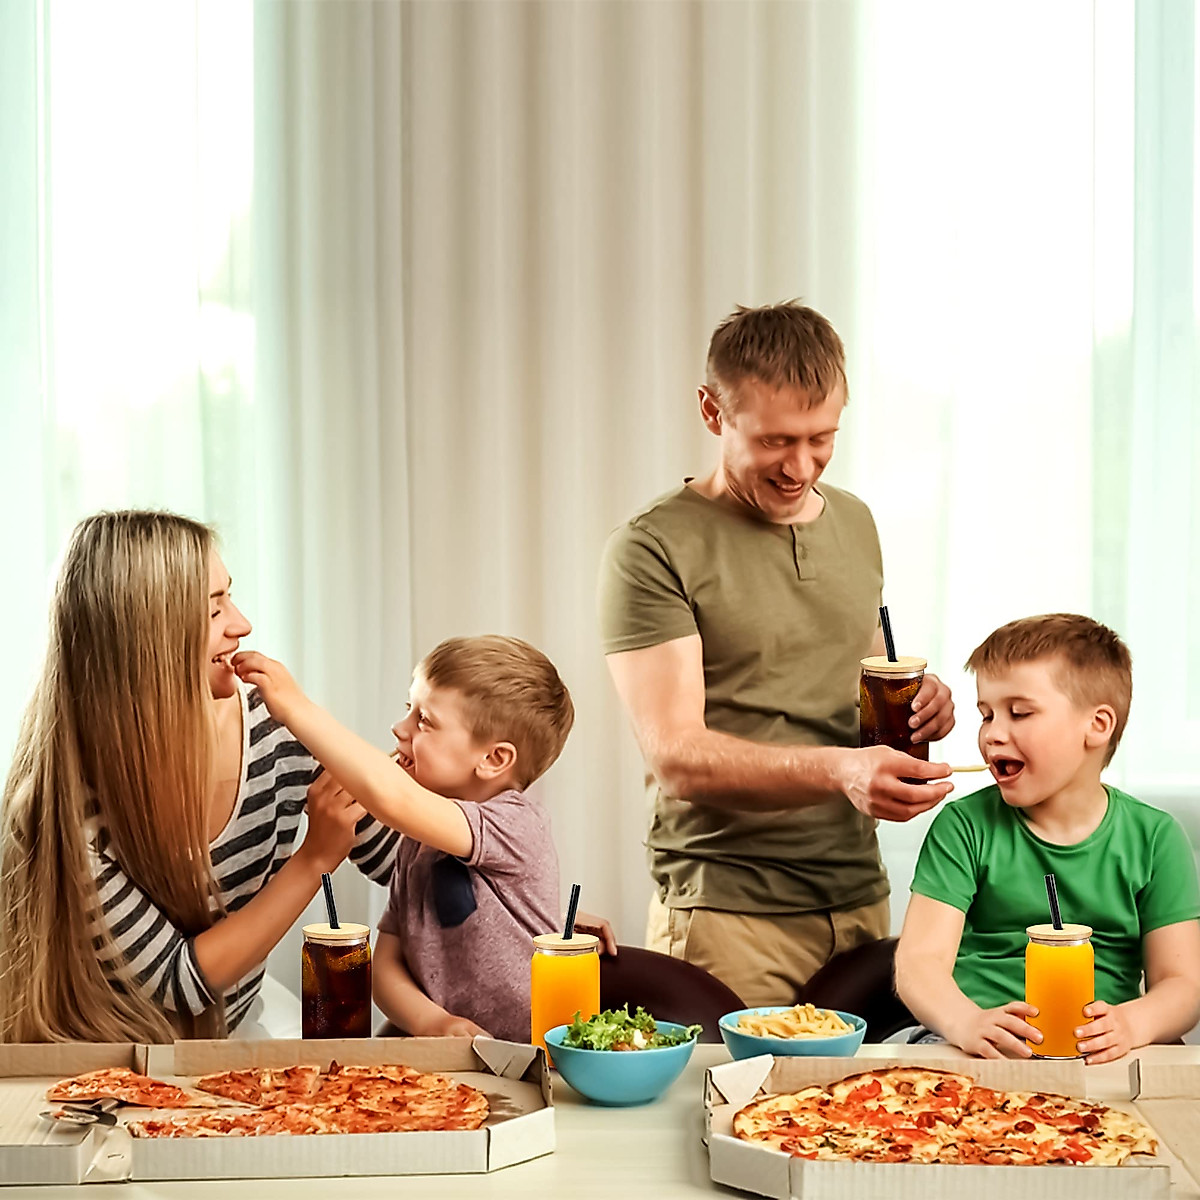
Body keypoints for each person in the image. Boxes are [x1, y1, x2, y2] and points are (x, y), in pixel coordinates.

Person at [597, 301, 956, 1006]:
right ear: (713, 411)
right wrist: (843, 771)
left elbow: (865, 691)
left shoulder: (856, 521)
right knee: (737, 1085)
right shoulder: (651, 547)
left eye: (822, 438)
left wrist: (920, 705)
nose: (801, 466)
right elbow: (677, 757)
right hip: (726, 914)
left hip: (859, 898)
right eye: (775, 441)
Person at [0, 510, 399, 1043]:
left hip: (227, 1038)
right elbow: (181, 983)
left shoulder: (276, 727)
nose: (241, 624)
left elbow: (399, 862)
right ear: (147, 638)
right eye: (214, 609)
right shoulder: (65, 809)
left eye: (230, 596)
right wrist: (313, 861)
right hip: (110, 1058)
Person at [234, 634, 587, 1043]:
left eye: (424, 721)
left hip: (526, 1054)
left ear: (493, 759)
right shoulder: (417, 844)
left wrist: (297, 709)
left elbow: (394, 798)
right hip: (441, 1050)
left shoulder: (517, 824)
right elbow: (387, 963)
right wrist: (432, 1022)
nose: (399, 728)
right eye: (409, 709)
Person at [894, 613, 1200, 1064]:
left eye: (1020, 713)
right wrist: (966, 1022)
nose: (993, 734)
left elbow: (1182, 985)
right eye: (986, 715)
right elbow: (919, 964)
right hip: (972, 1045)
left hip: (1102, 1053)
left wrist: (1133, 1024)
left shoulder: (1155, 838)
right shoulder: (964, 826)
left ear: (1097, 725)